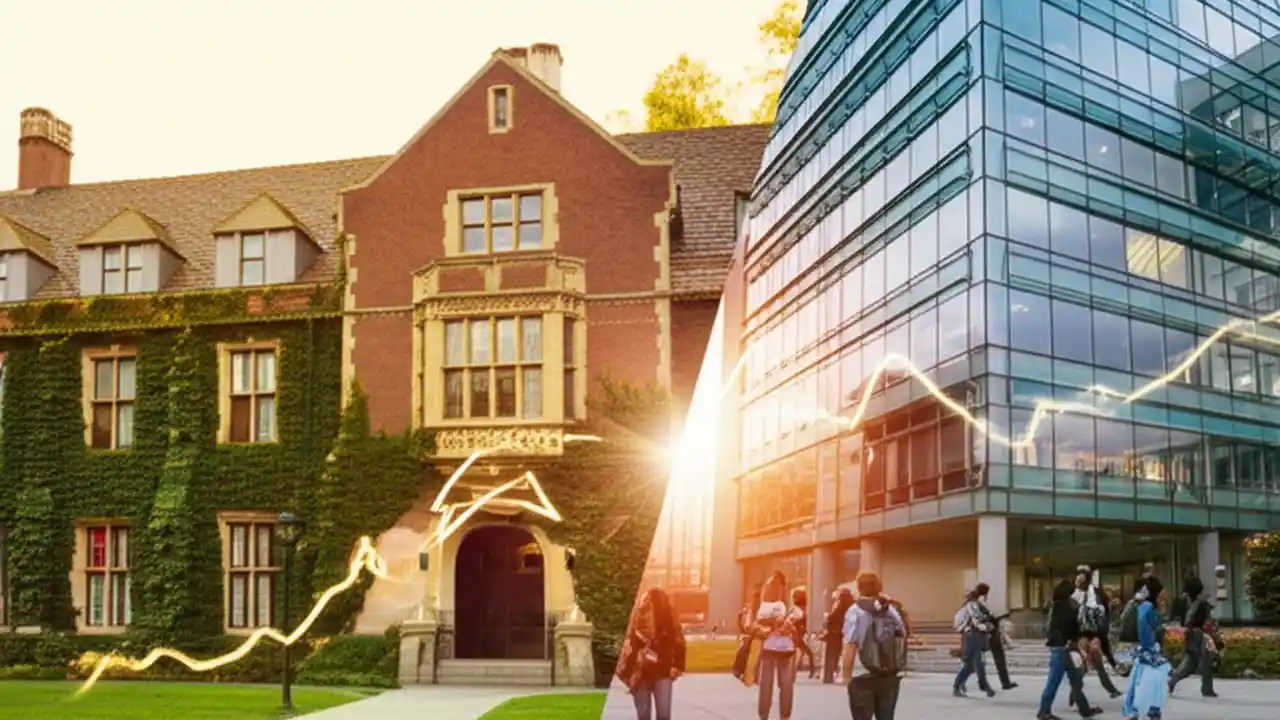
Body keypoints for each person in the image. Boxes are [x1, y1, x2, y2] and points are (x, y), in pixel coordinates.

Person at [841, 570, 906, 720]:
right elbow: (902, 635)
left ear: (859, 588)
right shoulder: (890, 609)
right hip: (889, 673)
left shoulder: (855, 610)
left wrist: (846, 675)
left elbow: (850, 645)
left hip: (862, 673)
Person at [617, 587, 687, 720]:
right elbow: (629, 648)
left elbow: (679, 643)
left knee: (661, 714)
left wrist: (678, 666)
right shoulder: (636, 627)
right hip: (641, 673)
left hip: (661, 672)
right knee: (647, 715)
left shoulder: (668, 626)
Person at [1037, 579, 1102, 719]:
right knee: (1058, 680)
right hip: (1064, 649)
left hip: (1062, 648)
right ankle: (1044, 711)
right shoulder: (1067, 607)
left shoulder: (1056, 605)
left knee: (1075, 679)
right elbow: (1073, 627)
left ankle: (1084, 710)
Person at [1122, 576, 1172, 720]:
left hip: (1145, 653)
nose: (1163, 597)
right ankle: (1145, 713)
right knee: (1151, 687)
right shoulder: (1148, 609)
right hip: (1149, 653)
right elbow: (1151, 629)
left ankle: (1139, 713)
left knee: (1143, 685)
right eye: (1161, 594)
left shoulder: (1141, 606)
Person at [1071, 567, 1122, 700]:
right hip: (1090, 635)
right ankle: (1110, 690)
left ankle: (1076, 693)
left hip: (1083, 636)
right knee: (1091, 665)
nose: (1078, 581)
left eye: (1079, 579)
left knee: (1088, 665)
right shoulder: (1094, 592)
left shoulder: (1076, 595)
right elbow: (1105, 610)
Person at [754, 571, 798, 720]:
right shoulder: (786, 601)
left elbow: (758, 620)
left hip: (769, 644)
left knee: (767, 681)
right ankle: (785, 715)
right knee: (786, 682)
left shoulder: (765, 600)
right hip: (786, 645)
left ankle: (763, 714)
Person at [1168, 577, 1218, 697]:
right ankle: (1206, 689)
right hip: (1199, 634)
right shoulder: (1197, 602)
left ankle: (1173, 680)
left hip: (1194, 634)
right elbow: (1191, 619)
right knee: (1204, 661)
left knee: (1191, 663)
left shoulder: (1192, 601)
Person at [952, 583, 997, 698]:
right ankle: (984, 687)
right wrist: (987, 626)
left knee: (971, 665)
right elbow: (976, 620)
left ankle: (960, 686)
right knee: (977, 664)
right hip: (973, 637)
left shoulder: (971, 602)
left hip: (973, 637)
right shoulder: (973, 604)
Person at [733, 586, 763, 681]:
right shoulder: (751, 610)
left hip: (755, 634)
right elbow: (745, 622)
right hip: (752, 634)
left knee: (747, 652)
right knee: (747, 651)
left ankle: (742, 671)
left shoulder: (757, 609)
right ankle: (742, 671)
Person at [825, 588, 854, 684]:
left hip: (834, 634)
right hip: (845, 633)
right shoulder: (852, 608)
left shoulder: (837, 607)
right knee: (845, 654)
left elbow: (830, 620)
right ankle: (844, 674)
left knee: (832, 655)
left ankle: (829, 676)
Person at [791, 587, 817, 679]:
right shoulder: (799, 610)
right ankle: (811, 671)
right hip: (797, 635)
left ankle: (795, 671)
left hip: (797, 635)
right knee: (806, 653)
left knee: (802, 653)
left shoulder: (795, 609)